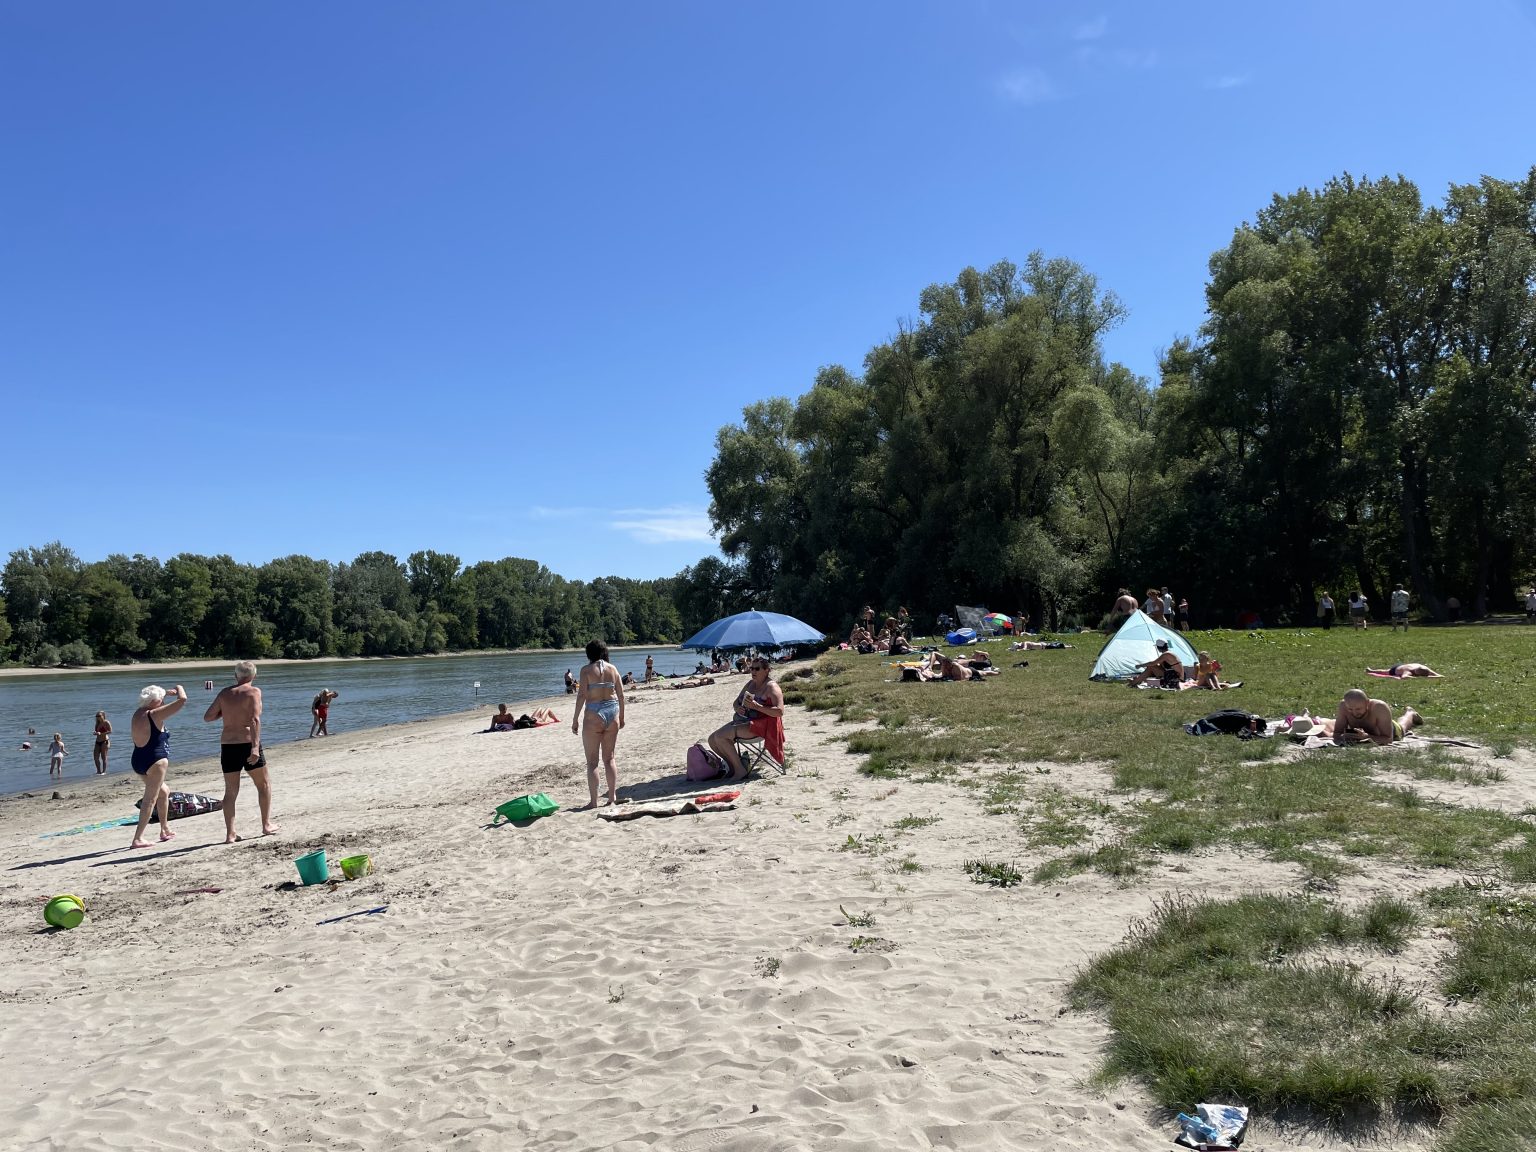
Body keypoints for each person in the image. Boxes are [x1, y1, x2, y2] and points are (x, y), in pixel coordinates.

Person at [204, 660, 277, 843]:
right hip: (246, 743)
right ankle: (266, 825)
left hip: (228, 745)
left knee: (230, 791)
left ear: (236, 675)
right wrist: (255, 747)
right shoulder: (254, 692)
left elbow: (208, 717)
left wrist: (226, 713)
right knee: (264, 785)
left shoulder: (224, 693)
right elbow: (254, 720)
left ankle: (230, 834)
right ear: (254, 675)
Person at [128, 684, 188, 848]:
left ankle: (164, 829)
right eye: (161, 699)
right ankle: (138, 838)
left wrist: (164, 694)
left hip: (138, 760)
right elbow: (182, 700)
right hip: (155, 761)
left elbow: (154, 701)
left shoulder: (139, 713)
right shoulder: (154, 715)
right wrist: (179, 687)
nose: (163, 702)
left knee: (164, 792)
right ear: (155, 701)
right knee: (150, 799)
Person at [708, 657, 786, 780]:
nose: (753, 671)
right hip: (745, 721)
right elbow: (736, 702)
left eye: (757, 669)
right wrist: (738, 708)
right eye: (751, 668)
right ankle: (733, 767)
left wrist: (757, 706)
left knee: (720, 737)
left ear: (766, 670)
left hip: (763, 725)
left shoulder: (772, 687)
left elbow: (779, 712)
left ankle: (740, 770)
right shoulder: (750, 684)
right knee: (712, 739)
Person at [572, 640, 625, 808]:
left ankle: (594, 802)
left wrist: (575, 719)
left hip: (594, 713)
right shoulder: (613, 668)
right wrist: (622, 717)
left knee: (592, 762)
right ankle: (612, 797)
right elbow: (621, 695)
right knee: (609, 759)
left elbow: (582, 695)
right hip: (612, 711)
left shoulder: (586, 670)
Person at [1333, 688, 1422, 745]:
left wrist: (1366, 737)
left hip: (1389, 730)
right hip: (1367, 733)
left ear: (1367, 703)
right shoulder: (1343, 706)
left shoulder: (1379, 707)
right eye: (1350, 709)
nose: (1354, 713)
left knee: (1402, 726)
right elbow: (1337, 733)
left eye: (1358, 709)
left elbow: (1388, 739)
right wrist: (1346, 735)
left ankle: (1410, 714)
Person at [1366, 663, 1442, 678]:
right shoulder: (1409, 671)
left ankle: (1371, 670)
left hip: (1403, 665)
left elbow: (1437, 675)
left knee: (1385, 670)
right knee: (1385, 671)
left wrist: (1437, 676)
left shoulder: (1423, 667)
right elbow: (1404, 677)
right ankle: (1371, 671)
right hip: (1395, 669)